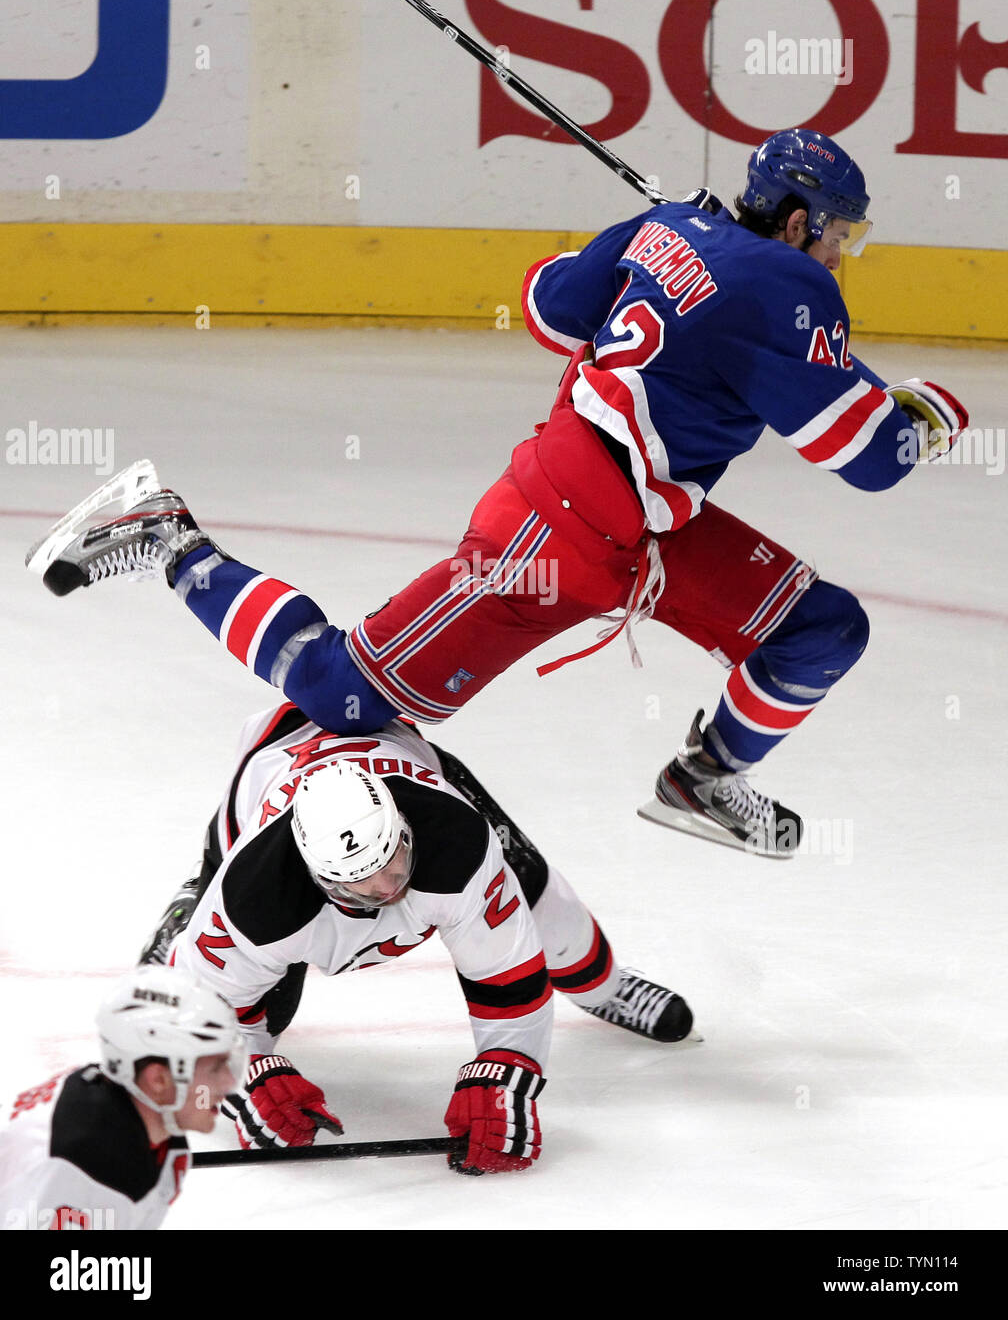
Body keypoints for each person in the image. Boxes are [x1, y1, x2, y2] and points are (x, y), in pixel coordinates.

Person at [27, 128, 968, 856]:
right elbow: (870, 460)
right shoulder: (794, 286)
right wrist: (923, 418)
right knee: (346, 694)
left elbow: (548, 308)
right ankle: (168, 536)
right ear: (802, 221)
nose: (841, 255)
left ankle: (704, 780)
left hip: (647, 533)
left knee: (822, 627)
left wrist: (652, 242)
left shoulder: (674, 229)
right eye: (840, 235)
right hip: (552, 532)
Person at [140, 703, 694, 1174]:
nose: (388, 890)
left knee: (553, 922)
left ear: (404, 825)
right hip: (261, 778)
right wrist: (245, 1080)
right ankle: (184, 923)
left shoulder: (454, 840)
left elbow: (509, 983)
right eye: (362, 882)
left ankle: (605, 987)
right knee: (246, 1011)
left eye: (395, 859)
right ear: (318, 875)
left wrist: (508, 1074)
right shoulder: (254, 896)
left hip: (404, 755)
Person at [0, 965, 245, 1230]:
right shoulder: (81, 1169)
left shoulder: (151, 1124)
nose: (229, 1082)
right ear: (158, 1079)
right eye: (216, 1068)